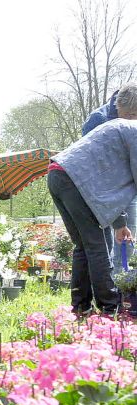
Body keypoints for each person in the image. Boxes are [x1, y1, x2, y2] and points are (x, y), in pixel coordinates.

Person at [47, 88, 137, 316]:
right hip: (76, 181)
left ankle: (81, 305)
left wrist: (120, 223)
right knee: (98, 246)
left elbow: (106, 183)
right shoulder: (132, 129)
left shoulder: (116, 126)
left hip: (58, 174)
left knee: (84, 246)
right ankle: (110, 307)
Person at [84, 84, 137, 275]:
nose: (132, 120)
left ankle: (120, 287)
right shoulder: (98, 119)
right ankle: (104, 291)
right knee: (103, 243)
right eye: (129, 115)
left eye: (135, 116)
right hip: (102, 189)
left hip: (127, 187)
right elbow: (88, 159)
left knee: (127, 236)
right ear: (118, 106)